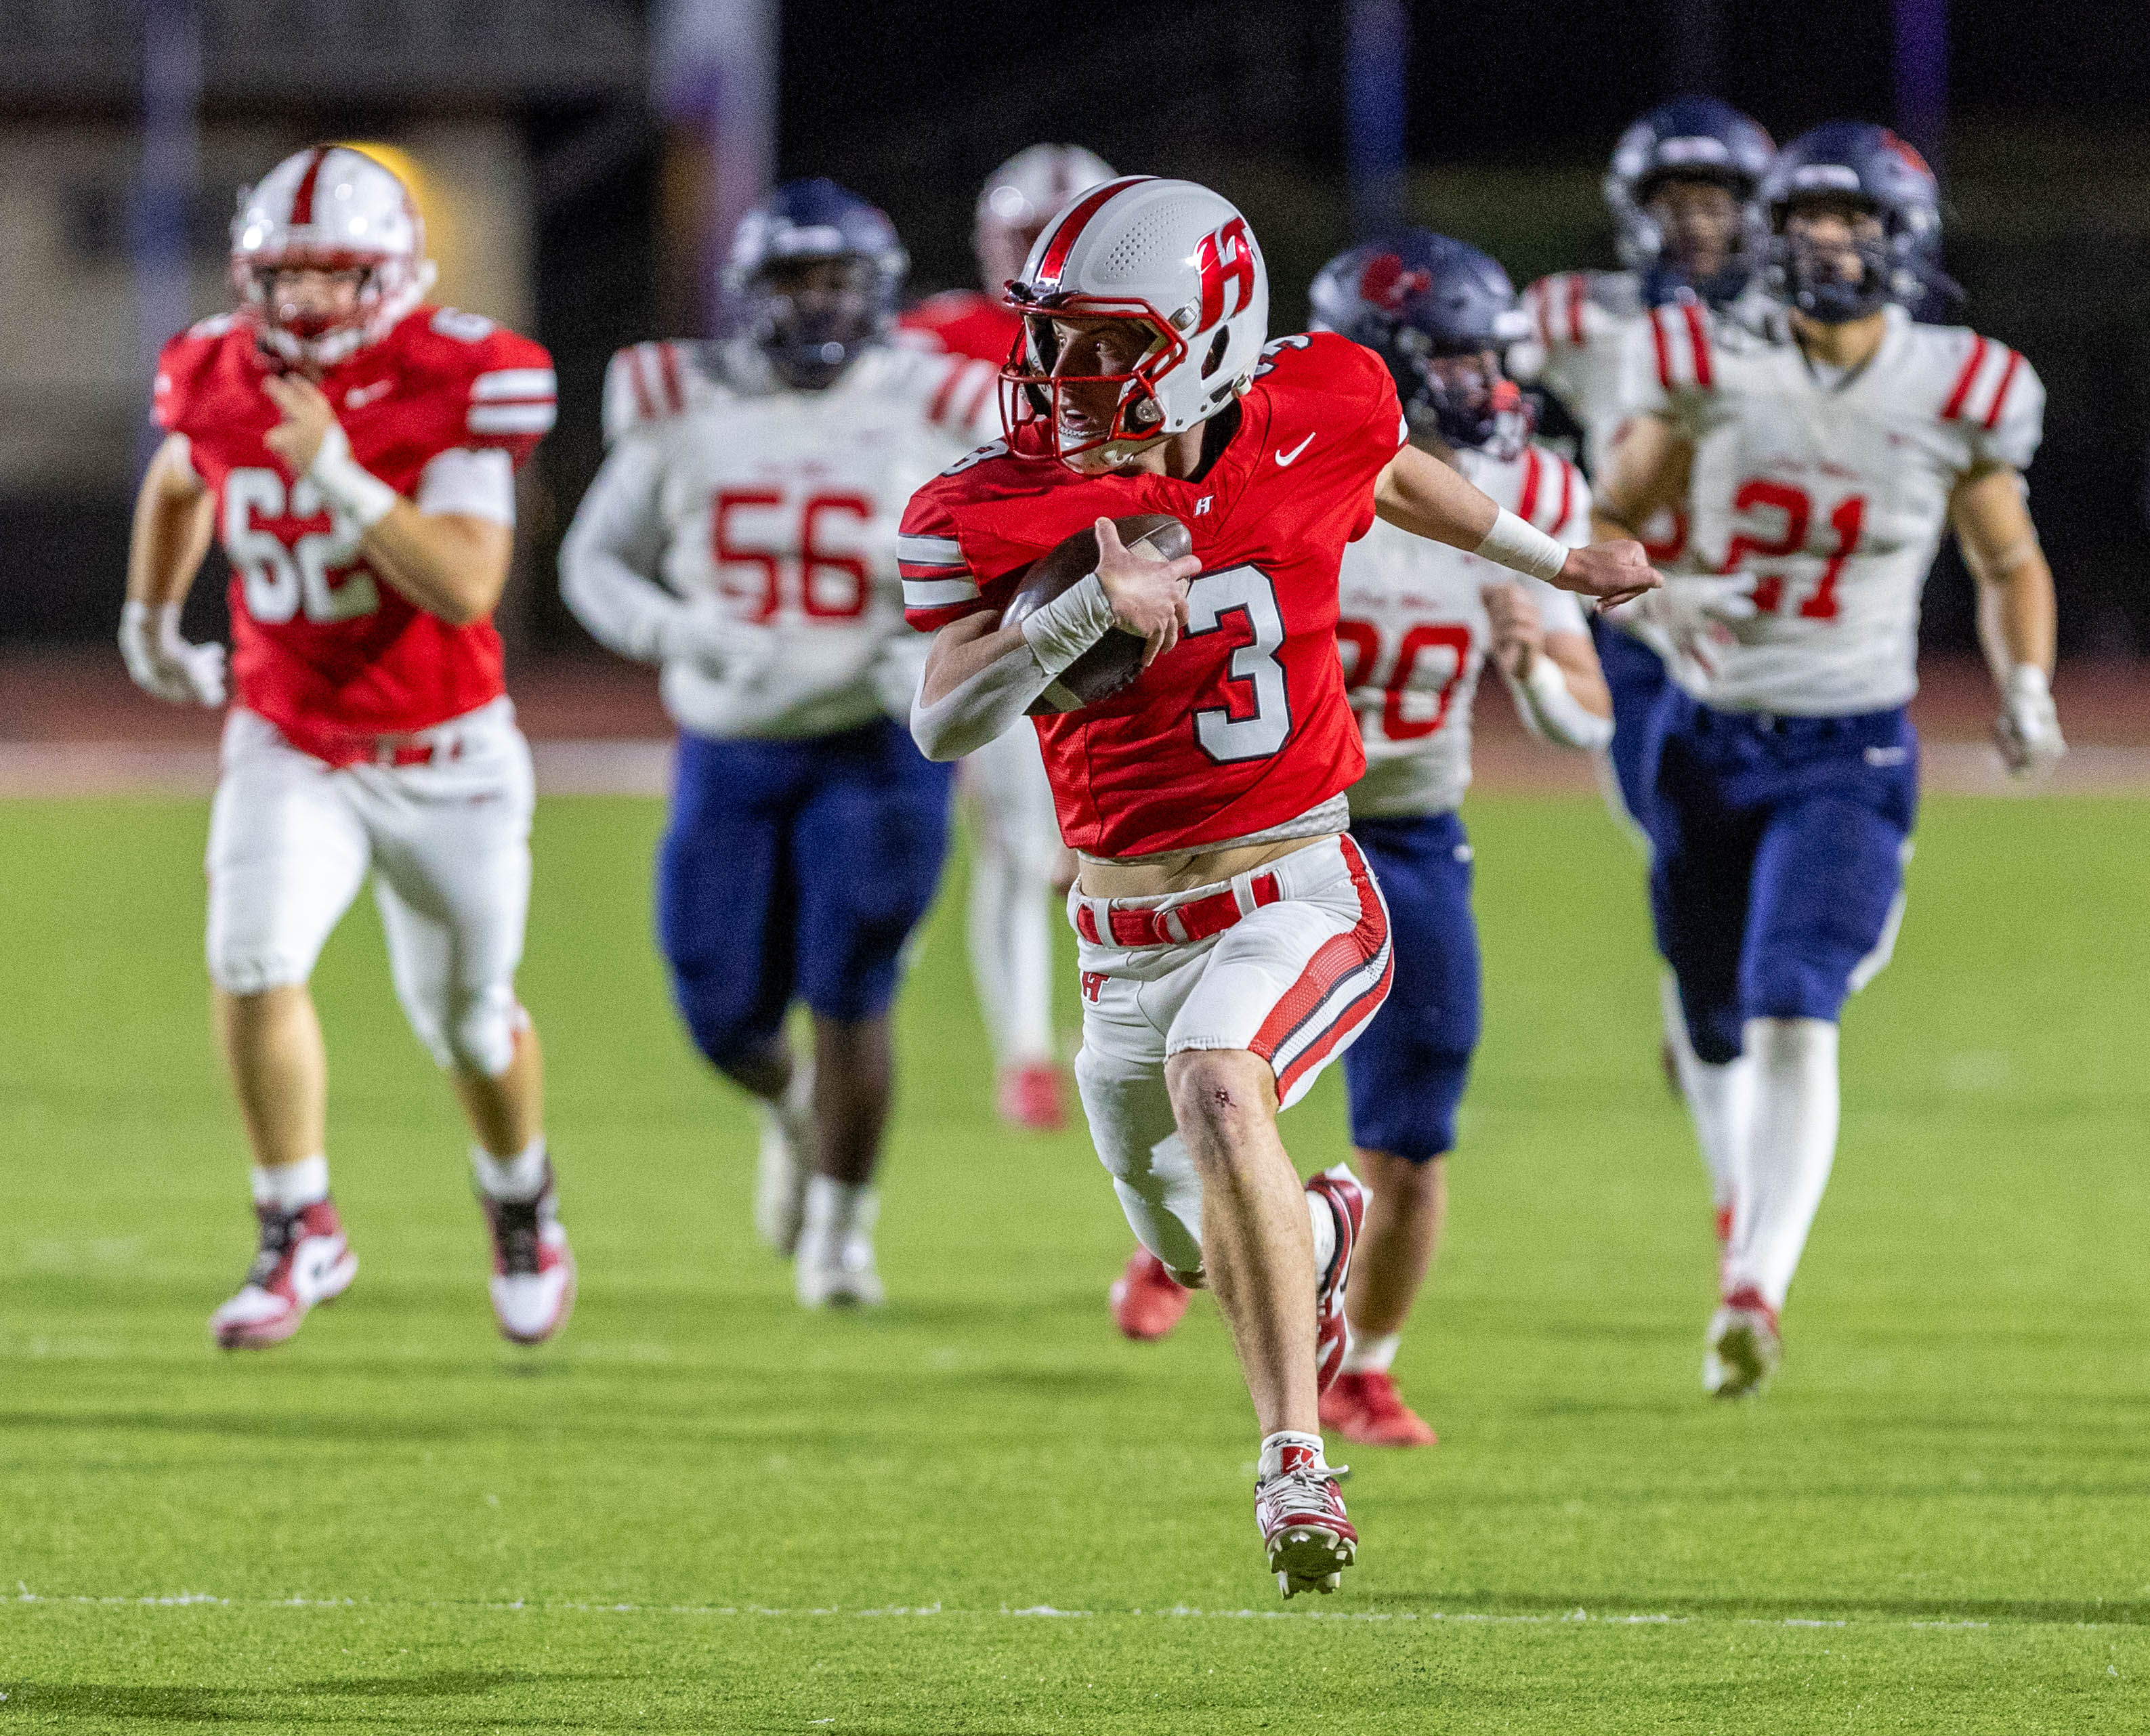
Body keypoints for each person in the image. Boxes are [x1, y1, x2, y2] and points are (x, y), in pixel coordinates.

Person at [900, 177, 1656, 1593]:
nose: (1068, 374)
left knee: (1216, 1081)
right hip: (1120, 933)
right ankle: (1319, 1230)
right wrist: (1076, 610)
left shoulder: (1320, 404)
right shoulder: (992, 505)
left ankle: (1295, 1466)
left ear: (1206, 336)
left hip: (1296, 885)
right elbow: (942, 716)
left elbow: (1393, 471)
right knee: (1205, 1250)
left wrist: (1560, 565)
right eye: (1054, 338)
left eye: (1109, 341)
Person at [1592, 123, 2065, 1397]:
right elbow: (1611, 525)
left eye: (1848, 223)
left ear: (1898, 240)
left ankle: (1755, 1284)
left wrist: (2021, 683)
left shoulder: (1956, 387)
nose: (1823, 247)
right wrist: (1658, 599)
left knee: (1794, 1005)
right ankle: (1743, 1219)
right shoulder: (1706, 366)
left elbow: (2006, 559)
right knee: (1707, 1020)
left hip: (1847, 743)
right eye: (1802, 223)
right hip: (1704, 733)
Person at [121, 144, 569, 1349]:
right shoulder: (216, 370)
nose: (308, 302)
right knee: (253, 958)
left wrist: (337, 469)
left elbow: (469, 584)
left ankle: (520, 1198)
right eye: (289, 275)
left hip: (446, 754)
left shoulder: (458, 377)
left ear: (401, 276)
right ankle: (296, 1224)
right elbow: (181, 479)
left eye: (336, 276)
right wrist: (149, 617)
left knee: (471, 1020)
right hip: (291, 738)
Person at [561, 180, 980, 1308]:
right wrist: (680, 630)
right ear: (750, 295)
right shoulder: (686, 401)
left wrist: (953, 635)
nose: (815, 307)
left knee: (853, 985)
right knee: (718, 1009)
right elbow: (591, 562)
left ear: (877, 292)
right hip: (733, 744)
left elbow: (1022, 549)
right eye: (793, 282)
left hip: (877, 744)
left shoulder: (942, 403)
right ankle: (788, 1108)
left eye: (836, 281)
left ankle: (842, 1232)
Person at [1511, 96, 1778, 1239]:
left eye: (1717, 203)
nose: (1700, 226)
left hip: (1765, 645)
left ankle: (1720, 1034)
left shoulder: (1792, 324)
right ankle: (1731, 1159)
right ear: (1637, 212)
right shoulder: (1580, 317)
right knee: (1681, 849)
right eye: (1678, 203)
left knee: (1760, 875)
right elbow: (1479, 392)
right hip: (1636, 631)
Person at [901, 144, 1116, 1130]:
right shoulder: (935, 338)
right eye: (1023, 234)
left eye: (1052, 232)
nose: (1036, 255)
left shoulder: (1131, 329)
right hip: (999, 612)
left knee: (1119, 839)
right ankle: (1026, 1052)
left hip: (1126, 601)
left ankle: (1114, 1034)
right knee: (1020, 844)